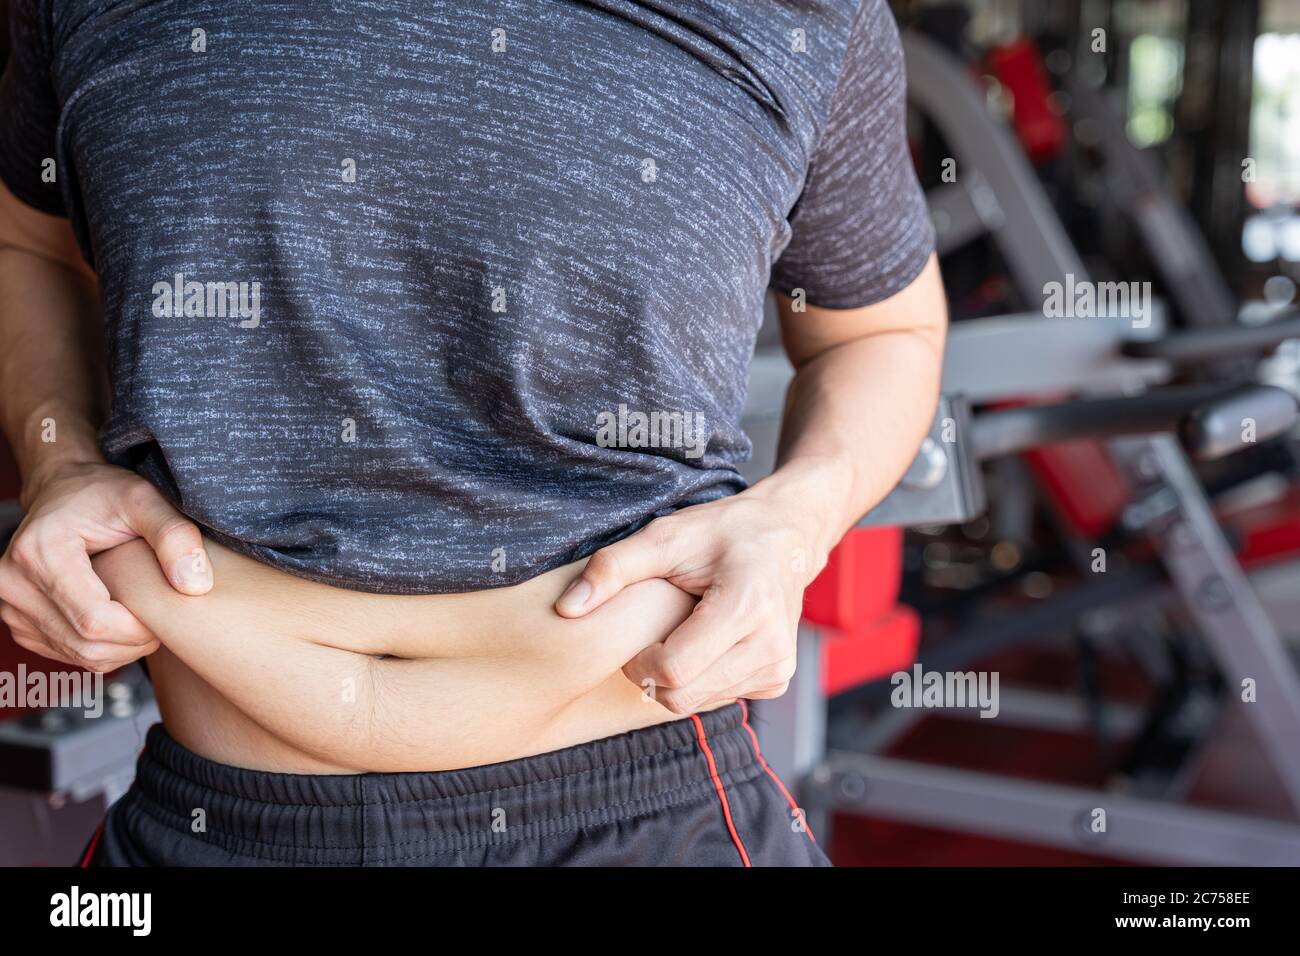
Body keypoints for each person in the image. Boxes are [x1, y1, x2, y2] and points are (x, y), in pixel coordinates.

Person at [0, 0, 945, 866]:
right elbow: (28, 246)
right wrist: (59, 459)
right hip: (199, 826)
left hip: (647, 817)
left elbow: (884, 330)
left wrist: (798, 519)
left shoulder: (807, 15)